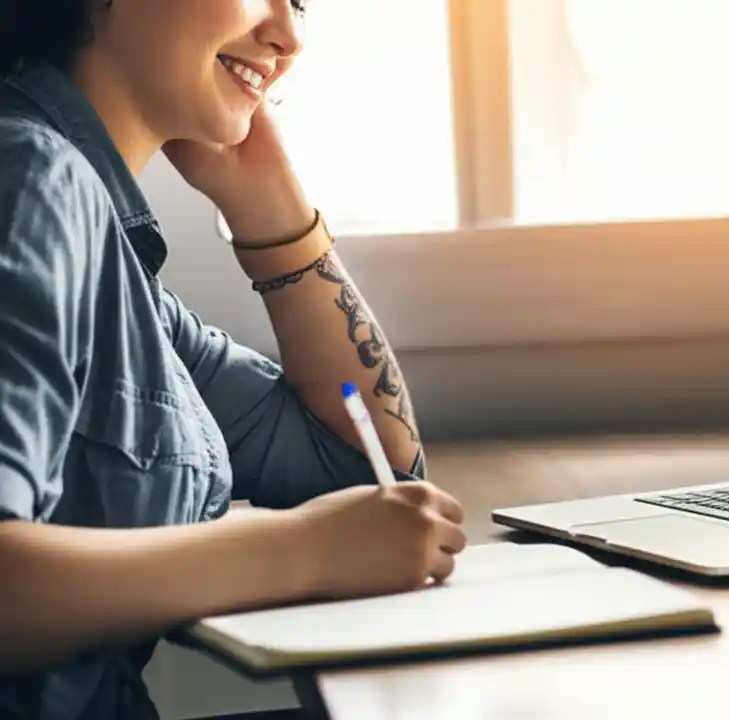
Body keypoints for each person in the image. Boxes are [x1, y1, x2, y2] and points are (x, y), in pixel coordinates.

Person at [0, 1, 468, 717]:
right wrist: (300, 553)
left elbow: (362, 467)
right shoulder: (33, 182)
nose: (289, 33)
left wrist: (275, 214)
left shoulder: (115, 259)